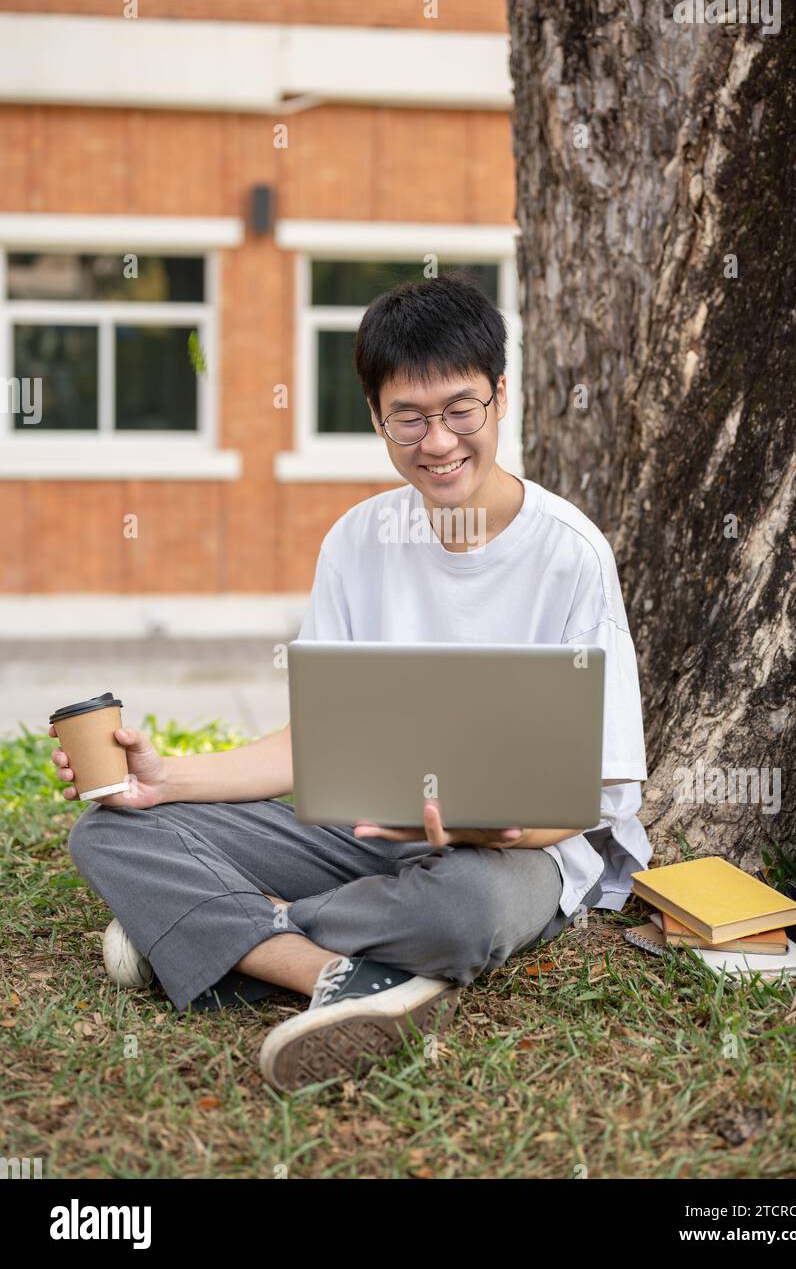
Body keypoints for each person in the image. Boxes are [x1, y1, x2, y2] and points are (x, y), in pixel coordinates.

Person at [56, 272, 651, 1094]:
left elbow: (594, 789)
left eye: (460, 410)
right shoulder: (356, 540)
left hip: (514, 853)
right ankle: (335, 975)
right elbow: (317, 746)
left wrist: (496, 829)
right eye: (408, 416)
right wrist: (165, 782)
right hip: (364, 832)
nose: (437, 442)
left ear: (501, 397)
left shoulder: (570, 554)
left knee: (459, 912)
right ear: (376, 416)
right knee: (110, 836)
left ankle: (217, 929)